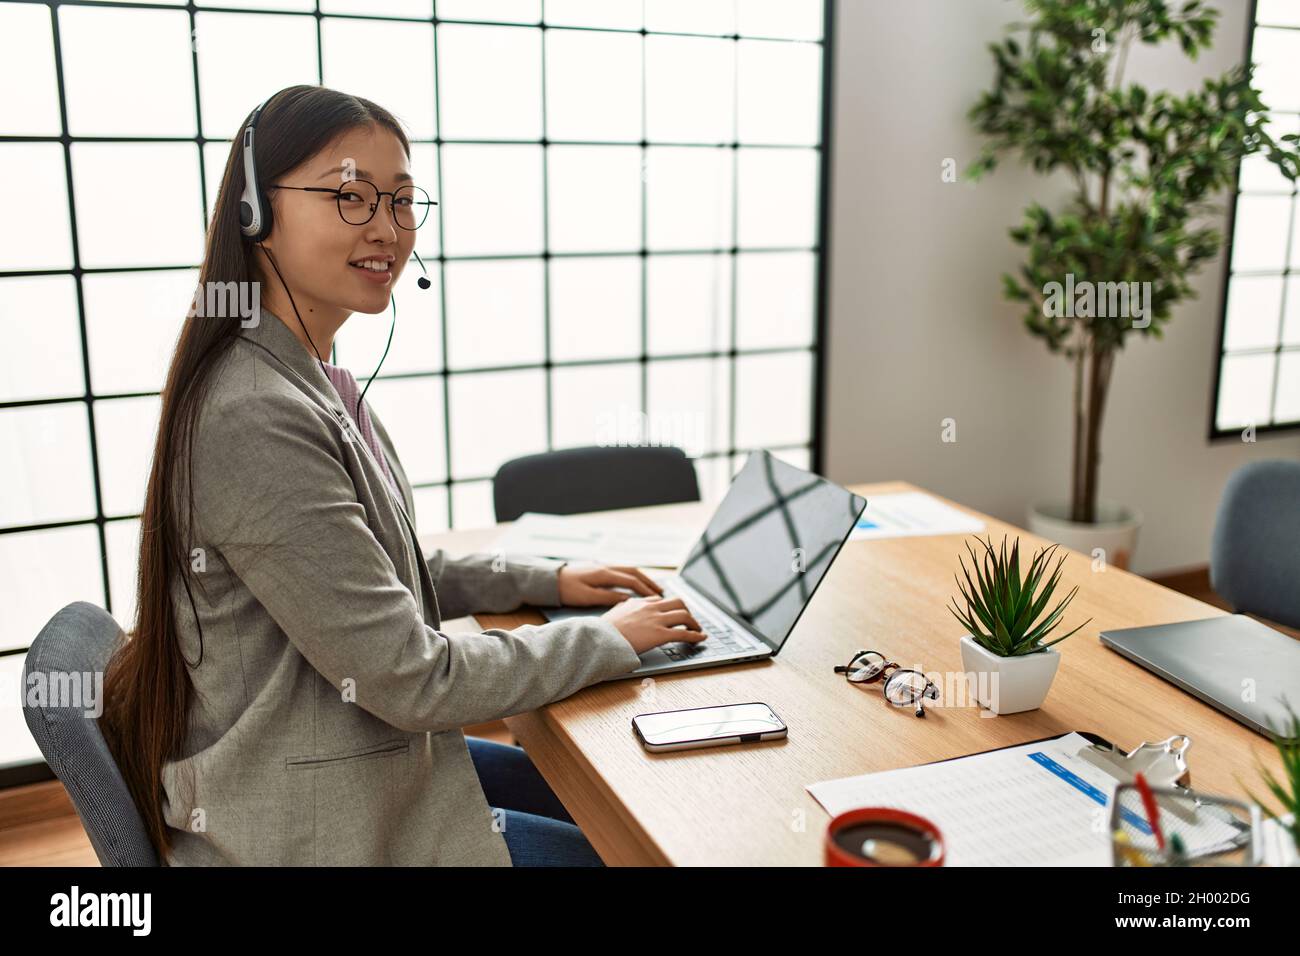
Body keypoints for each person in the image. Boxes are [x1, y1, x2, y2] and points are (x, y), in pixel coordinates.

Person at [99, 85, 705, 866]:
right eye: (351, 196)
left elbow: (374, 576)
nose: (388, 228)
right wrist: (607, 640)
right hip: (308, 825)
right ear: (256, 212)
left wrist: (549, 581)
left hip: (343, 750)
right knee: (626, 845)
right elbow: (411, 679)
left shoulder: (308, 377)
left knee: (605, 796)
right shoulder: (254, 415)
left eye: (403, 201)